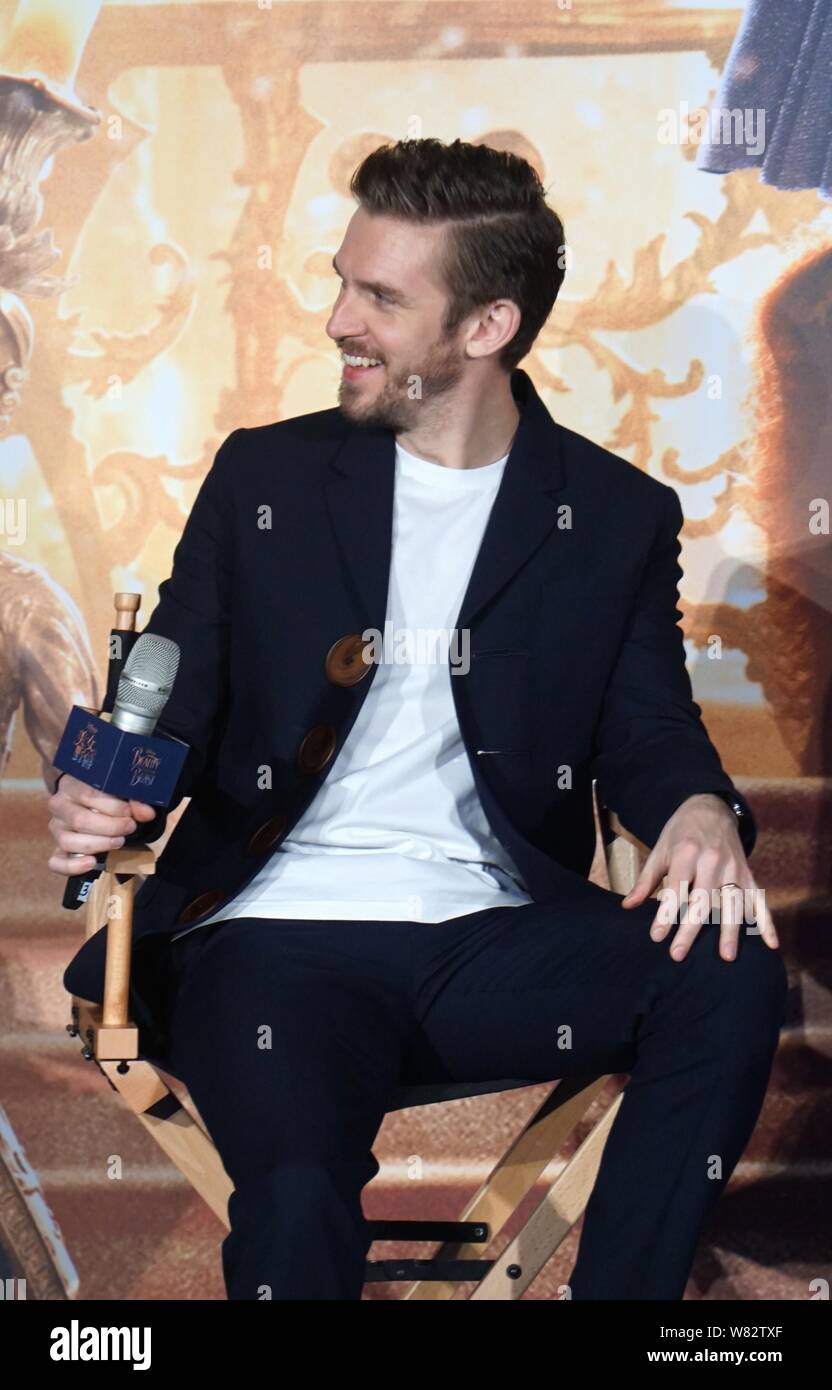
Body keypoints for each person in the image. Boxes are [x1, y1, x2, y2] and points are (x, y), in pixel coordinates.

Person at [48, 138, 787, 1300]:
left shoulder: (610, 514)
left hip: (492, 936)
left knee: (726, 967)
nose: (339, 318)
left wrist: (697, 804)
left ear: (485, 328)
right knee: (291, 1195)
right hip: (275, 935)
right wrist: (102, 779)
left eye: (380, 297)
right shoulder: (265, 481)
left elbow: (647, 725)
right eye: (342, 281)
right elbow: (168, 692)